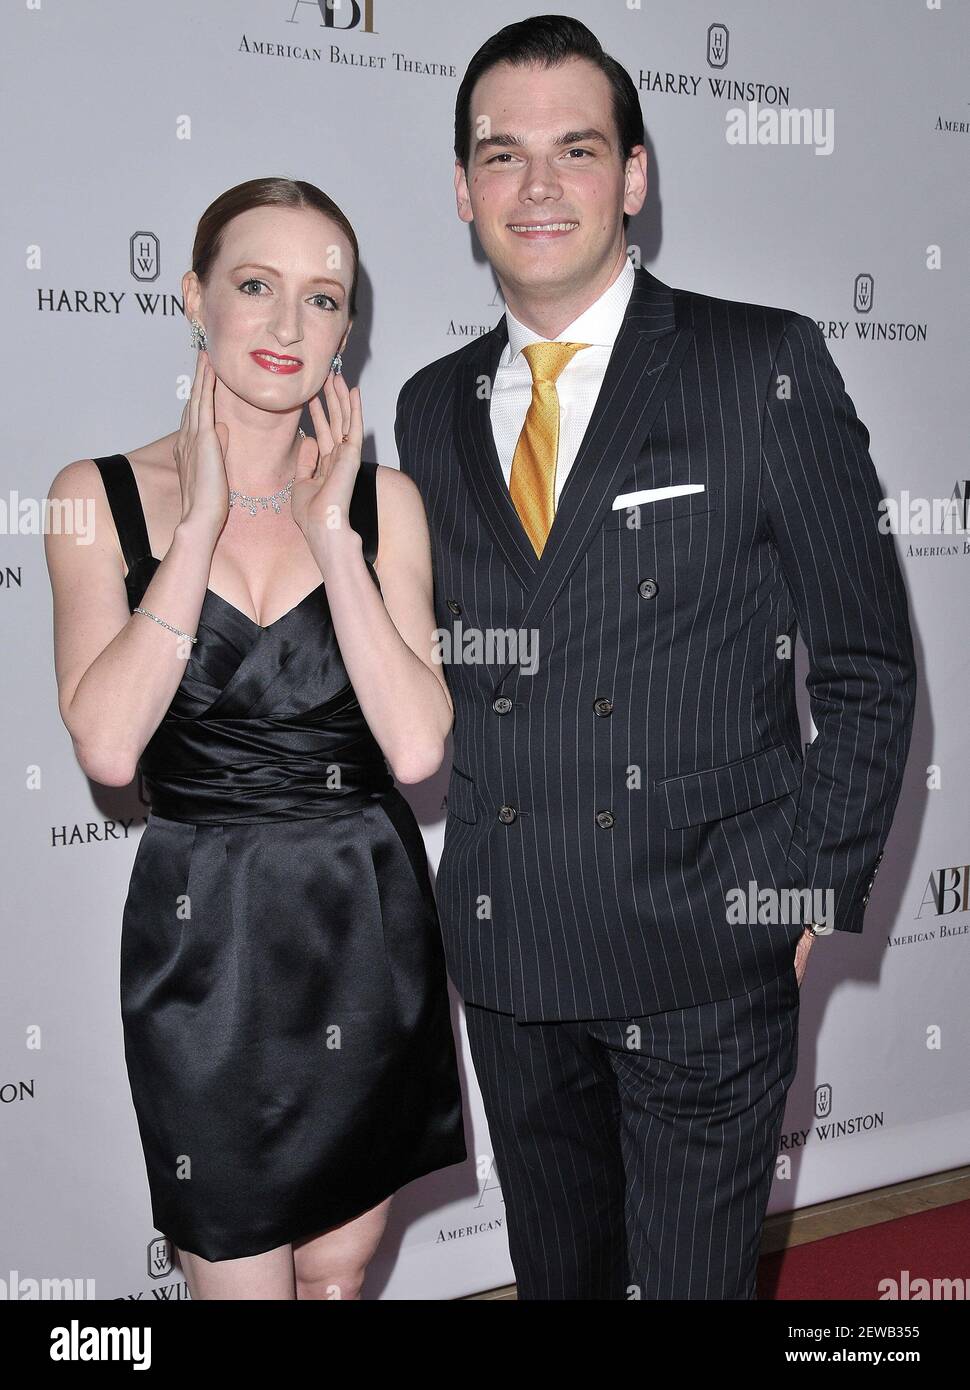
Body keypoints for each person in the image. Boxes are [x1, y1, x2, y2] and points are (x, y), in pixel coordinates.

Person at [394, 16, 917, 1299]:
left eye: (574, 149)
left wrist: (802, 892)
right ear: (462, 189)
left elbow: (864, 665)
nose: (536, 186)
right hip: (512, 953)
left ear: (633, 176)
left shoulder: (761, 365)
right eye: (501, 155)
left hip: (701, 953)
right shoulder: (426, 403)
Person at [45, 177, 466, 1301]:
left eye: (323, 299)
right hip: (209, 943)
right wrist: (194, 533)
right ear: (194, 298)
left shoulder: (387, 506)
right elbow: (109, 747)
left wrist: (333, 535)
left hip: (364, 921)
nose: (288, 327)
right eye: (255, 286)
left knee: (337, 1274)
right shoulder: (96, 498)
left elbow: (419, 747)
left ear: (347, 326)